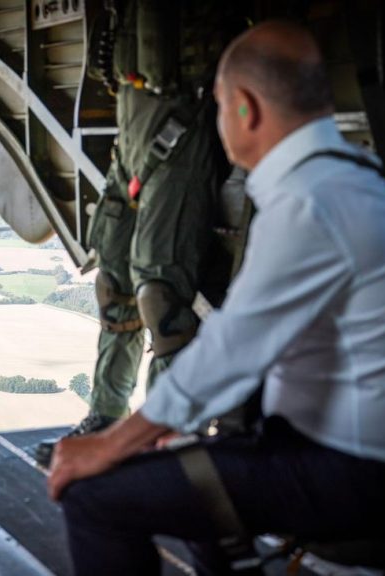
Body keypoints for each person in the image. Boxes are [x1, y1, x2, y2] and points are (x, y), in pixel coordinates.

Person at [47, 20, 385, 574]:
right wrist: (169, 431)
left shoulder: (310, 202)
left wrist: (113, 443)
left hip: (360, 471)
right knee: (184, 471)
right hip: (372, 454)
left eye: (218, 106)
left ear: (244, 107)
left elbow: (231, 351)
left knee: (94, 498)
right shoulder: (348, 176)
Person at [34, 0, 246, 467]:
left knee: (160, 292)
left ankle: (165, 435)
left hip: (183, 120)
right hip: (133, 127)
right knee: (113, 280)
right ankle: (108, 417)